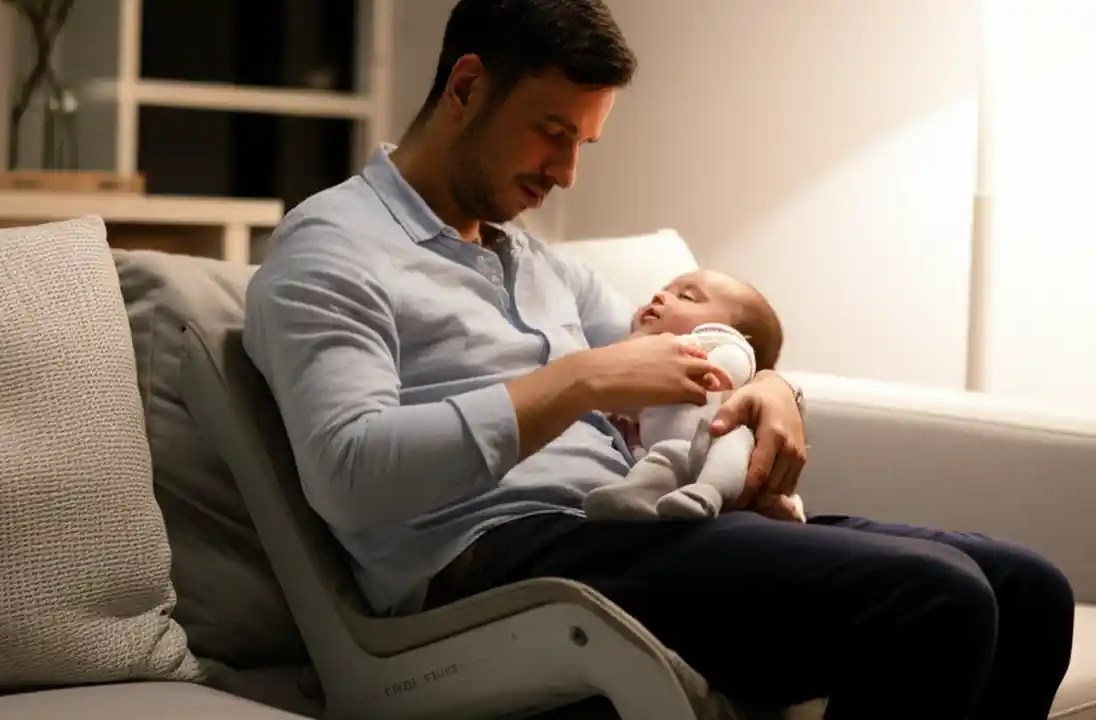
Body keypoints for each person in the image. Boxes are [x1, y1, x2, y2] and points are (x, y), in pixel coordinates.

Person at [242, 0, 1074, 716]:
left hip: (630, 529)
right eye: (552, 133)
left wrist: (772, 386)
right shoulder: (333, 247)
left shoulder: (531, 260)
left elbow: (695, 355)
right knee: (933, 598)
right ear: (466, 88)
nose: (566, 173)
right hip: (498, 565)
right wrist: (580, 379)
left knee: (1029, 589)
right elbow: (348, 472)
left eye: (583, 143)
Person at [584, 270, 807, 523]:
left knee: (728, 450)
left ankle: (709, 492)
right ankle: (632, 498)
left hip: (723, 444)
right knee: (661, 461)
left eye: (687, 297)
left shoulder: (724, 354)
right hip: (673, 456)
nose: (658, 296)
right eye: (664, 290)